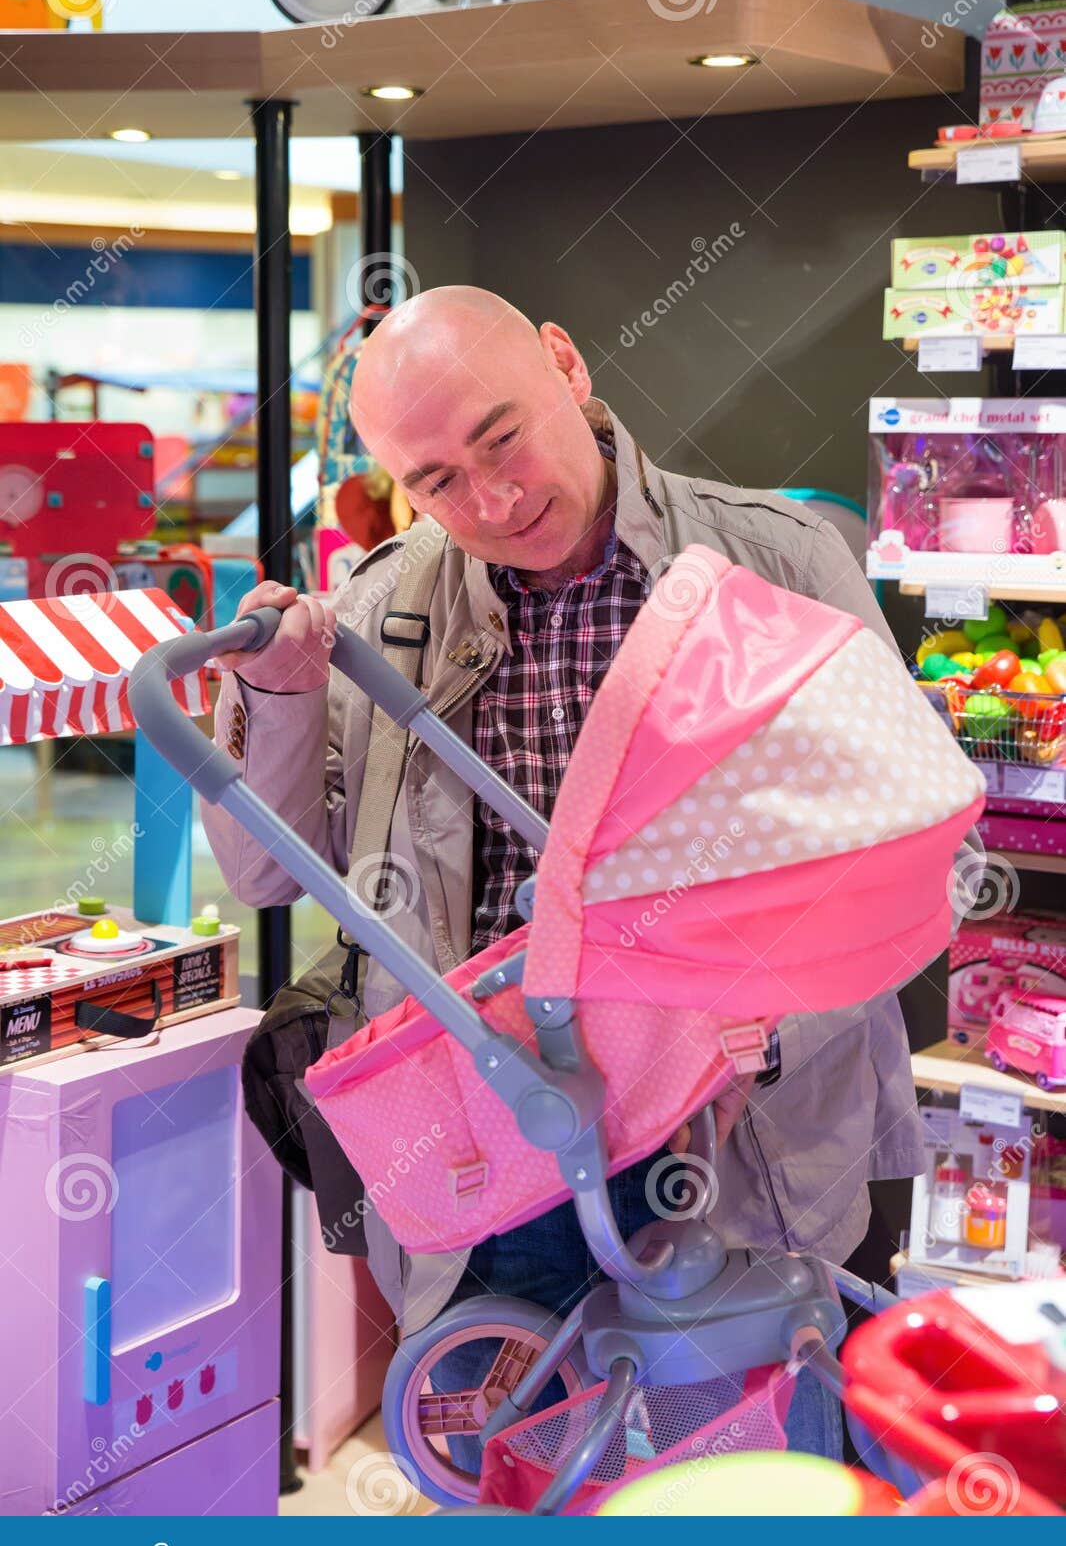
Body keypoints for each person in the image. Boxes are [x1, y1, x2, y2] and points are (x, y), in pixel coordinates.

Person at [204, 285, 929, 1464]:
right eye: (436, 480)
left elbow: (910, 846)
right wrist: (275, 700)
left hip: (737, 1139)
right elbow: (263, 869)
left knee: (750, 1491)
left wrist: (788, 1008)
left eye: (503, 436)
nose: (492, 499)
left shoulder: (777, 562)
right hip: (502, 1145)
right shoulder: (386, 608)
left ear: (566, 360)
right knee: (533, 1485)